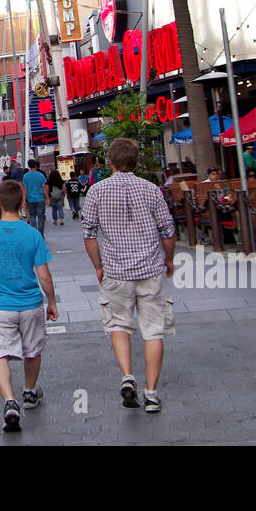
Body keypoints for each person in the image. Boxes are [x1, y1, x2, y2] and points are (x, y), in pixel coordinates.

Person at [81, 137, 177, 415]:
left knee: (119, 326)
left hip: (116, 271)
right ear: (135, 162)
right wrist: (168, 259)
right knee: (153, 331)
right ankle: (151, 394)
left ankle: (127, 376)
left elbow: (89, 234)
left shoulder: (96, 192)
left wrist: (98, 266)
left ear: (109, 162)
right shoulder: (151, 189)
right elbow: (167, 231)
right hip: (150, 270)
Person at [0, 179, 59, 432]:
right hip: (30, 304)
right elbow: (44, 275)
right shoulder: (32, 234)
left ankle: (10, 401)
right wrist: (51, 301)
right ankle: (29, 392)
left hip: (1, 306)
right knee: (33, 349)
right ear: (22, 202)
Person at [21, 160, 48, 238]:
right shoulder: (41, 175)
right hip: (40, 198)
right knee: (41, 217)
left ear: (29, 166)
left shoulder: (26, 176)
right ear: (35, 165)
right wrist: (47, 198)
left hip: (30, 199)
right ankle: (41, 234)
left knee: (32, 216)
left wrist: (24, 200)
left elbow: (25, 189)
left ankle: (34, 234)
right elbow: (44, 187)